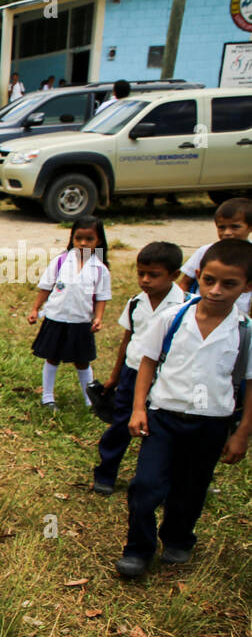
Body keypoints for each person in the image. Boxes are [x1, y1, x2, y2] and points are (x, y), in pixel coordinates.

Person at [116, 239, 252, 578]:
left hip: (211, 424)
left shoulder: (245, 332)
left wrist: (242, 434)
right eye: (209, 280)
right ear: (198, 276)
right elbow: (147, 361)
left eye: (229, 284)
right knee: (145, 486)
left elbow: (250, 386)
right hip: (163, 418)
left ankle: (177, 537)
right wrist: (138, 409)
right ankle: (138, 550)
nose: (216, 290)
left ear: (247, 286)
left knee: (191, 488)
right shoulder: (174, 317)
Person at [93, 242, 188, 494]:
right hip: (133, 373)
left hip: (166, 377)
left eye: (153, 275)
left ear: (174, 275)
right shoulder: (136, 302)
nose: (145, 280)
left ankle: (167, 480)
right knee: (122, 422)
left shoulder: (186, 307)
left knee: (163, 428)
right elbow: (127, 340)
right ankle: (106, 473)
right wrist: (115, 375)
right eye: (140, 273)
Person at [28, 217, 111, 409]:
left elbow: (101, 297)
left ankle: (89, 400)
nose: (83, 243)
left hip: (81, 321)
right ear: (72, 238)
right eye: (78, 238)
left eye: (89, 239)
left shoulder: (100, 269)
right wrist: (35, 308)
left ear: (98, 241)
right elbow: (46, 287)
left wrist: (98, 317)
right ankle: (48, 397)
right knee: (52, 357)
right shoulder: (61, 261)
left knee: (82, 361)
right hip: (56, 318)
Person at [177, 198, 252, 315]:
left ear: (250, 227)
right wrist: (180, 306)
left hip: (238, 315)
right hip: (200, 312)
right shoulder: (205, 251)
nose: (227, 232)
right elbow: (185, 282)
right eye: (222, 227)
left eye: (235, 227)